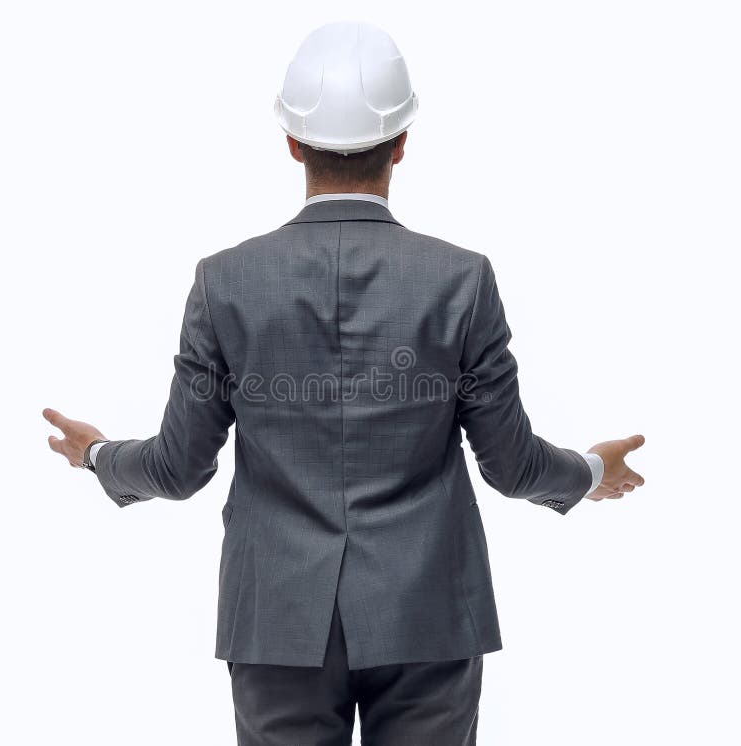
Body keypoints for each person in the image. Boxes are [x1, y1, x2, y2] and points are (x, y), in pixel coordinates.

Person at [44, 21, 645, 745]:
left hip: (276, 621)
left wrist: (99, 455)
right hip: (428, 612)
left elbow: (176, 469)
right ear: (402, 144)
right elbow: (513, 466)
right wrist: (588, 471)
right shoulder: (460, 279)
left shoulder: (225, 282)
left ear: (292, 143)